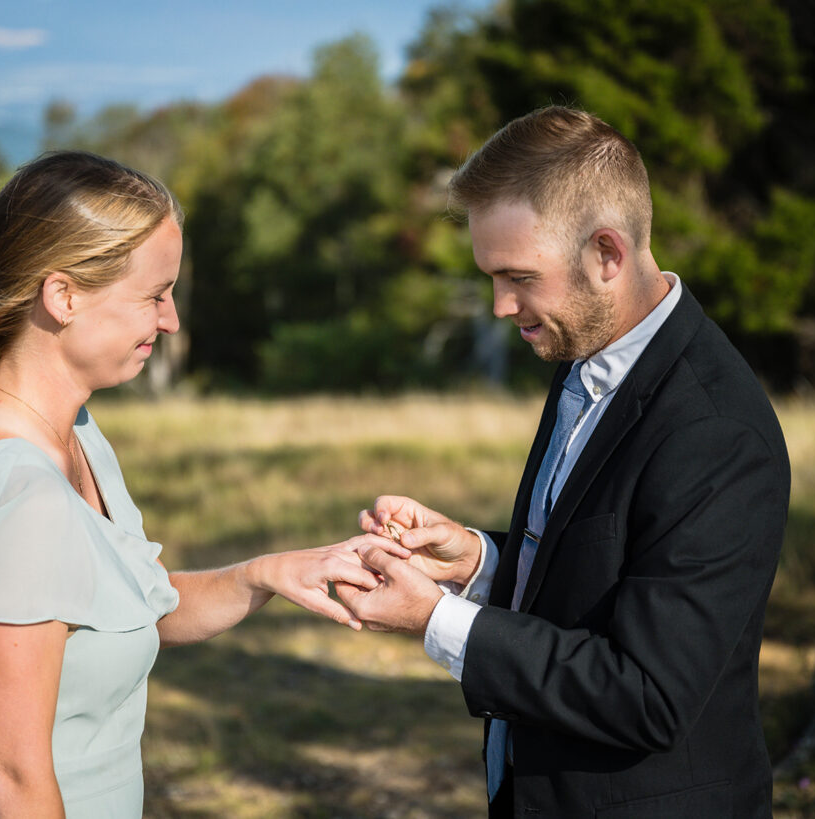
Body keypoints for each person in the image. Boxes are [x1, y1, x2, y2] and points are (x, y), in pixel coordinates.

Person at [0, 150, 396, 819]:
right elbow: (12, 782)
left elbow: (127, 608)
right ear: (63, 294)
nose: (172, 320)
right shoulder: (16, 496)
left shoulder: (77, 437)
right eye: (155, 295)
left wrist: (266, 573)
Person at [337, 106, 791, 818]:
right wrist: (480, 561)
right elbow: (604, 567)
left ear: (607, 254)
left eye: (518, 276)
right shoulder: (587, 352)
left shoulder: (716, 430)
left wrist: (436, 619)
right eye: (491, 276)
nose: (499, 305)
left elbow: (647, 693)